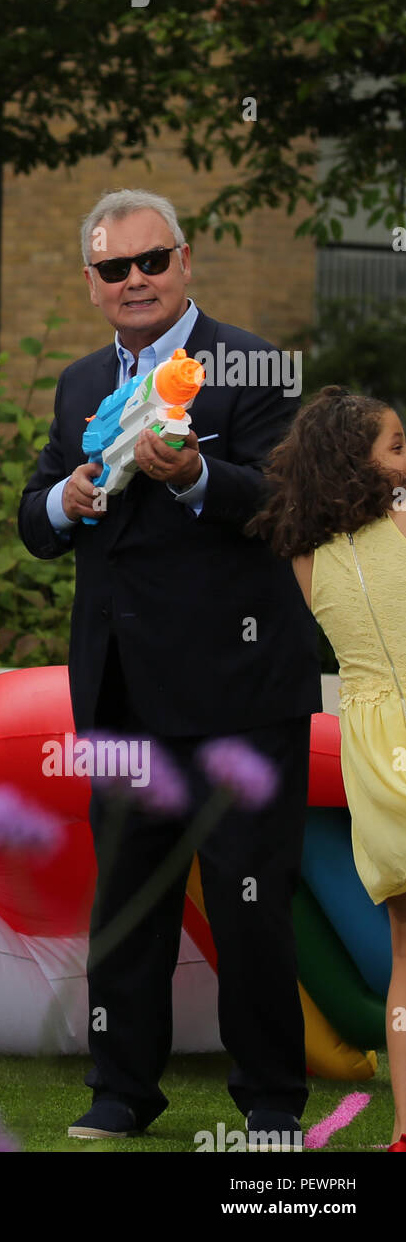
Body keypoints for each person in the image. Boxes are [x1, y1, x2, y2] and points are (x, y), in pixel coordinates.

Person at [17, 188, 320, 1143]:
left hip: (239, 694)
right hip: (117, 691)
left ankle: (270, 1103)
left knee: (247, 904)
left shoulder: (253, 367)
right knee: (128, 902)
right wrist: (66, 497)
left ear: (184, 262)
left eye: (152, 262)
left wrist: (190, 476)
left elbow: (288, 505)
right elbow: (33, 521)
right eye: (116, 268)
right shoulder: (75, 385)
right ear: (92, 283)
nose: (135, 280)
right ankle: (119, 1095)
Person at [248, 386, 406, 1151]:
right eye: (396, 447)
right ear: (360, 465)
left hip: (371, 750)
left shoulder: (306, 553)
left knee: (404, 953)